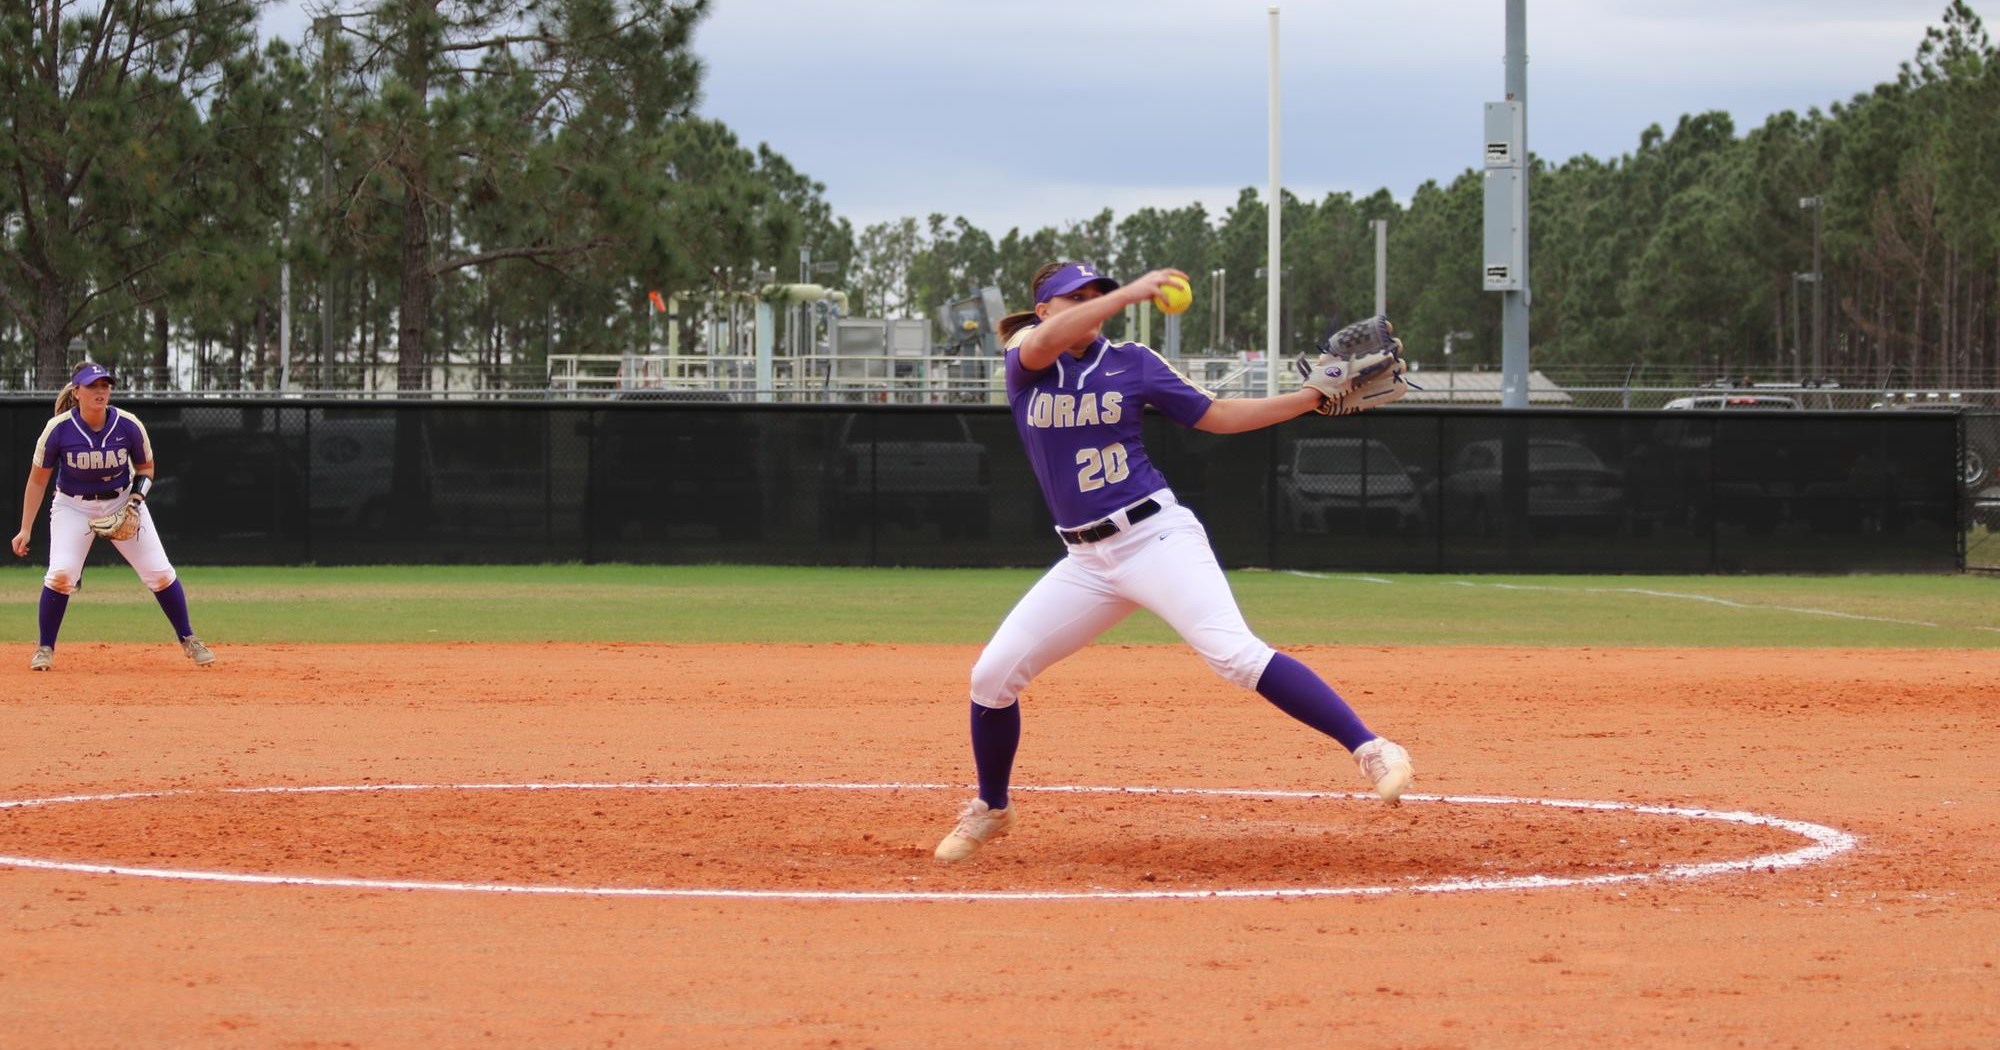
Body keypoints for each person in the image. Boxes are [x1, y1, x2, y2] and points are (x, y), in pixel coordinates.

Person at [934, 262, 1412, 862]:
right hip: (1085, 559)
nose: (1091, 304)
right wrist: (1129, 293)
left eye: (1096, 295)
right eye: (1074, 298)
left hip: (1155, 537)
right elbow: (1050, 341)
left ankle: (1372, 749)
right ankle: (993, 808)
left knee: (1234, 654)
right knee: (992, 677)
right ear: (1044, 309)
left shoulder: (1133, 362)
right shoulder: (1027, 356)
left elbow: (1218, 416)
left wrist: (1311, 398)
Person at [11, 362, 215, 670]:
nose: (100, 391)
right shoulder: (59, 429)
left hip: (122, 502)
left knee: (159, 572)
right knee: (62, 574)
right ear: (76, 391)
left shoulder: (128, 425)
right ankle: (45, 648)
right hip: (73, 506)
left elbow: (146, 469)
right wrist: (25, 528)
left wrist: (136, 500)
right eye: (93, 385)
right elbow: (38, 480)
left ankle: (189, 639)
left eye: (105, 385)